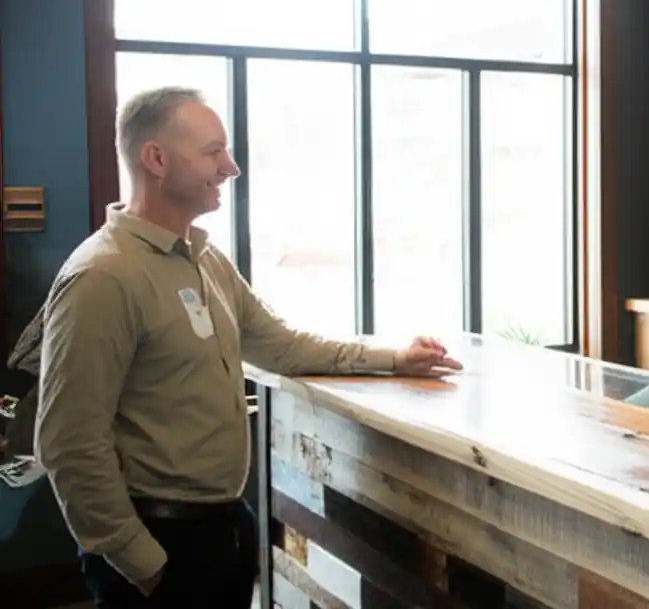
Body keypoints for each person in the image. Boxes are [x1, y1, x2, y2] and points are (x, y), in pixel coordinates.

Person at [34, 87, 464, 609]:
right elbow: (68, 442)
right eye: (213, 152)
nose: (231, 168)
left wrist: (394, 360)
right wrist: (141, 562)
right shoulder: (103, 276)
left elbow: (281, 347)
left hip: (222, 527)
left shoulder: (204, 259)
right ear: (156, 159)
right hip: (159, 541)